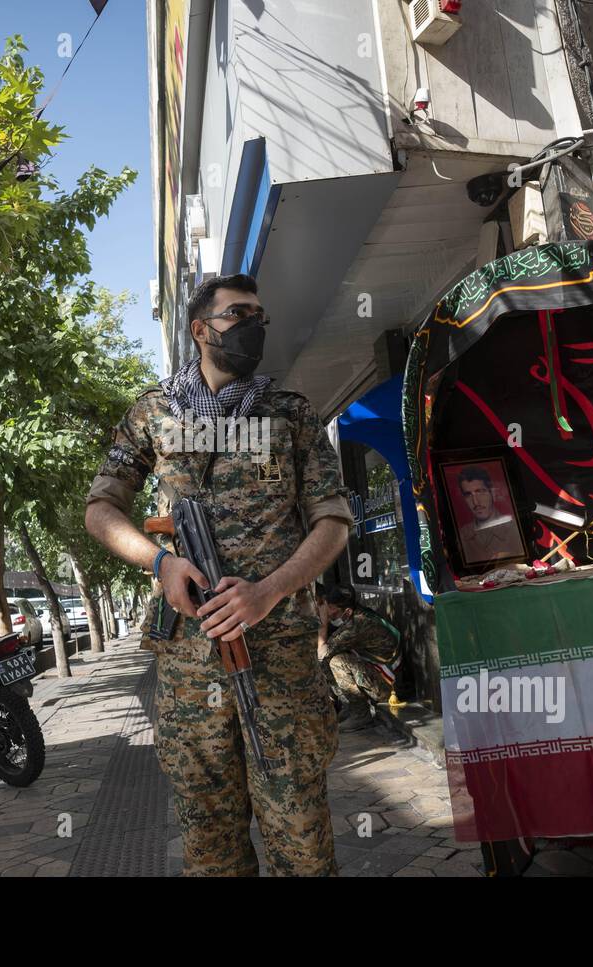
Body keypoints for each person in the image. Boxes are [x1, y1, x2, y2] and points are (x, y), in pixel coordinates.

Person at [84, 272, 353, 877]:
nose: (254, 326)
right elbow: (101, 509)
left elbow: (333, 520)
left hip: (280, 654)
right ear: (200, 330)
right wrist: (161, 561)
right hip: (189, 664)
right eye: (239, 315)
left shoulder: (290, 414)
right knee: (209, 845)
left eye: (259, 315)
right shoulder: (154, 414)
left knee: (302, 841)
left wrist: (268, 591)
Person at [316, 585, 400, 732]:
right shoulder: (357, 616)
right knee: (336, 659)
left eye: (330, 608)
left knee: (337, 662)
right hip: (381, 677)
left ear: (347, 611)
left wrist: (322, 622)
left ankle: (360, 714)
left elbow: (322, 654)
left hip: (389, 687)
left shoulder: (356, 625)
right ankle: (350, 707)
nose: (328, 613)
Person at [456, 465, 523, 563]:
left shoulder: (516, 528)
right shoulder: (461, 536)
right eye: (468, 495)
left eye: (480, 492)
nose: (476, 502)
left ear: (492, 493)